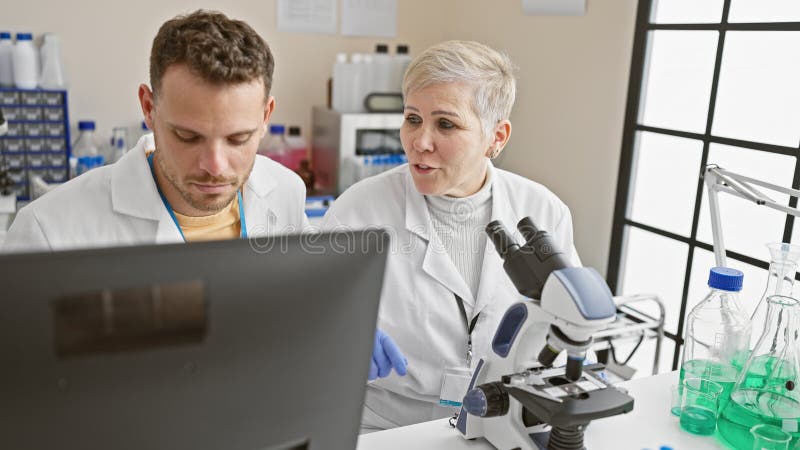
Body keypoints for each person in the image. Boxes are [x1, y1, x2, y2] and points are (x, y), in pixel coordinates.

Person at [2, 10, 405, 382]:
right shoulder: (49, 232)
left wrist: (340, 324)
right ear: (149, 107)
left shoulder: (283, 191)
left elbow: (296, 297)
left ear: (266, 116)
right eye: (188, 136)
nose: (216, 165)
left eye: (238, 138)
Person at [322, 40, 581, 431]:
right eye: (412, 119)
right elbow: (318, 321)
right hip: (384, 426)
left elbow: (567, 324)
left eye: (446, 124)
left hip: (503, 421)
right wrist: (344, 335)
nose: (419, 141)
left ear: (497, 137)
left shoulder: (542, 211)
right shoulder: (358, 210)